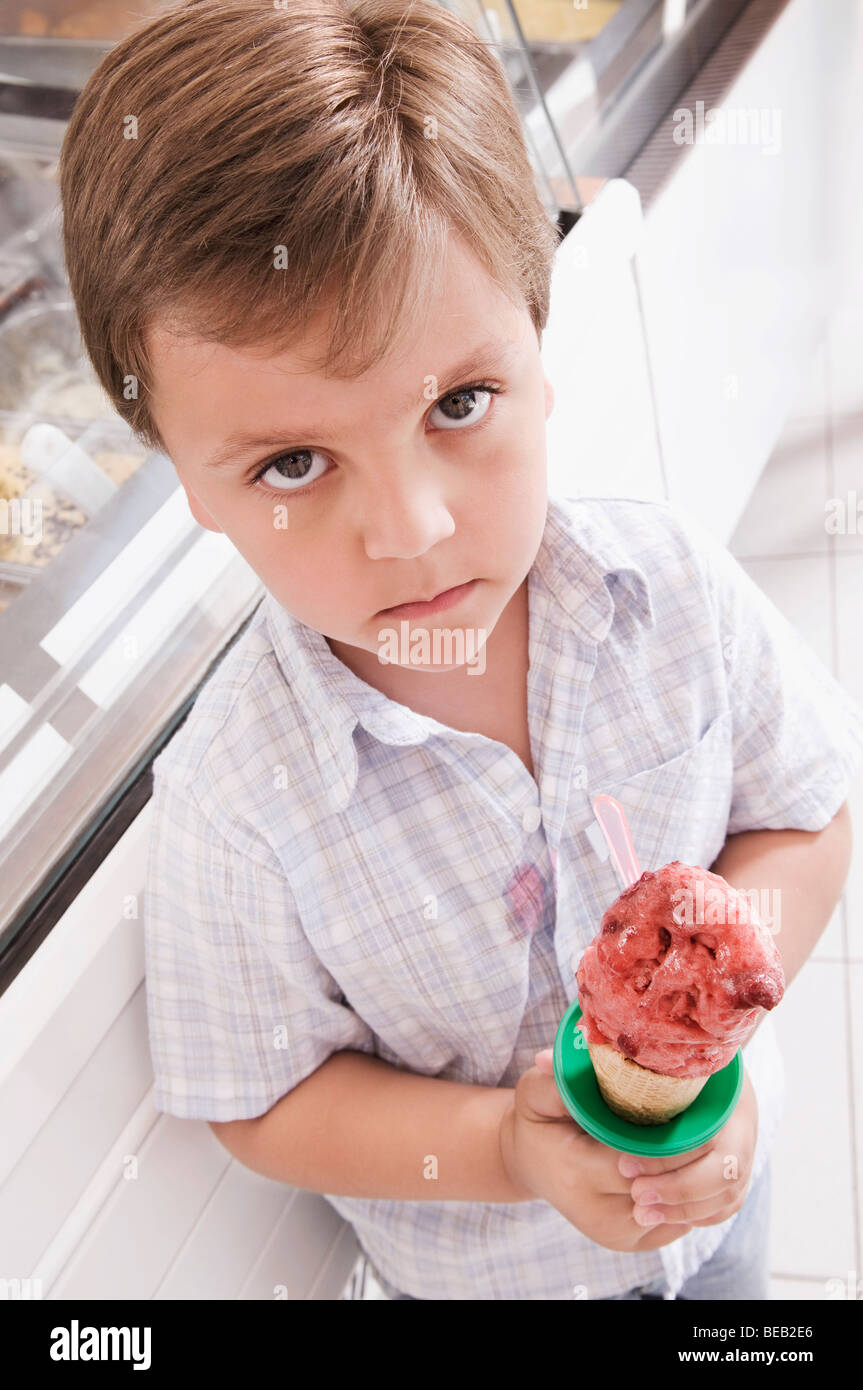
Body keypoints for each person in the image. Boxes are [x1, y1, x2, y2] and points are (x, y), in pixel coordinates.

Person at [58, 0, 862, 1301]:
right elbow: (266, 1096)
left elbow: (804, 813)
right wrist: (502, 1145)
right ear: (190, 487)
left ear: (539, 354)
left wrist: (705, 1003)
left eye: (459, 403)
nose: (414, 531)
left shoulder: (665, 592)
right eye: (294, 461)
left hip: (719, 1206)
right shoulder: (240, 806)